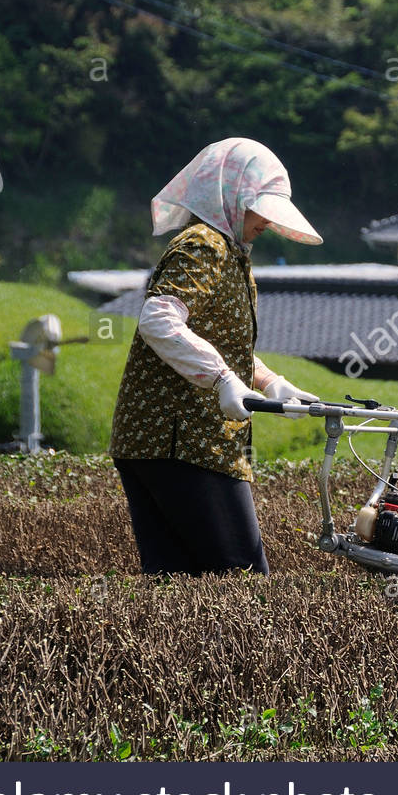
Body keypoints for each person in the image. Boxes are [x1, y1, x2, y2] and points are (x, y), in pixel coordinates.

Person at [109, 137, 323, 576]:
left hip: (159, 442)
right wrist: (223, 378)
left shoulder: (232, 255)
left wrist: (267, 383)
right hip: (181, 441)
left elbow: (216, 341)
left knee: (178, 585)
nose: (265, 220)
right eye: (258, 206)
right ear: (229, 195)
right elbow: (159, 320)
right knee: (242, 580)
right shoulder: (205, 244)